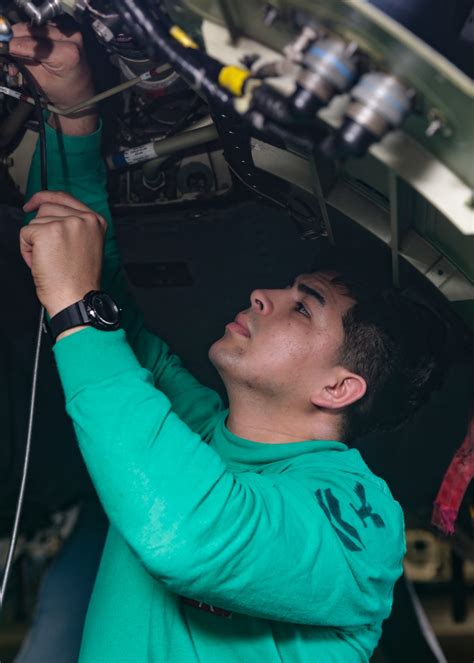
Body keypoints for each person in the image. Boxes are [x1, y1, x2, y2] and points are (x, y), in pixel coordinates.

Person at [10, 22, 445, 663]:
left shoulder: (362, 521)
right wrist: (74, 113)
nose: (265, 296)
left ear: (339, 387)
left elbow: (189, 536)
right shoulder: (203, 434)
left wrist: (77, 311)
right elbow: (109, 311)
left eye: (305, 306)